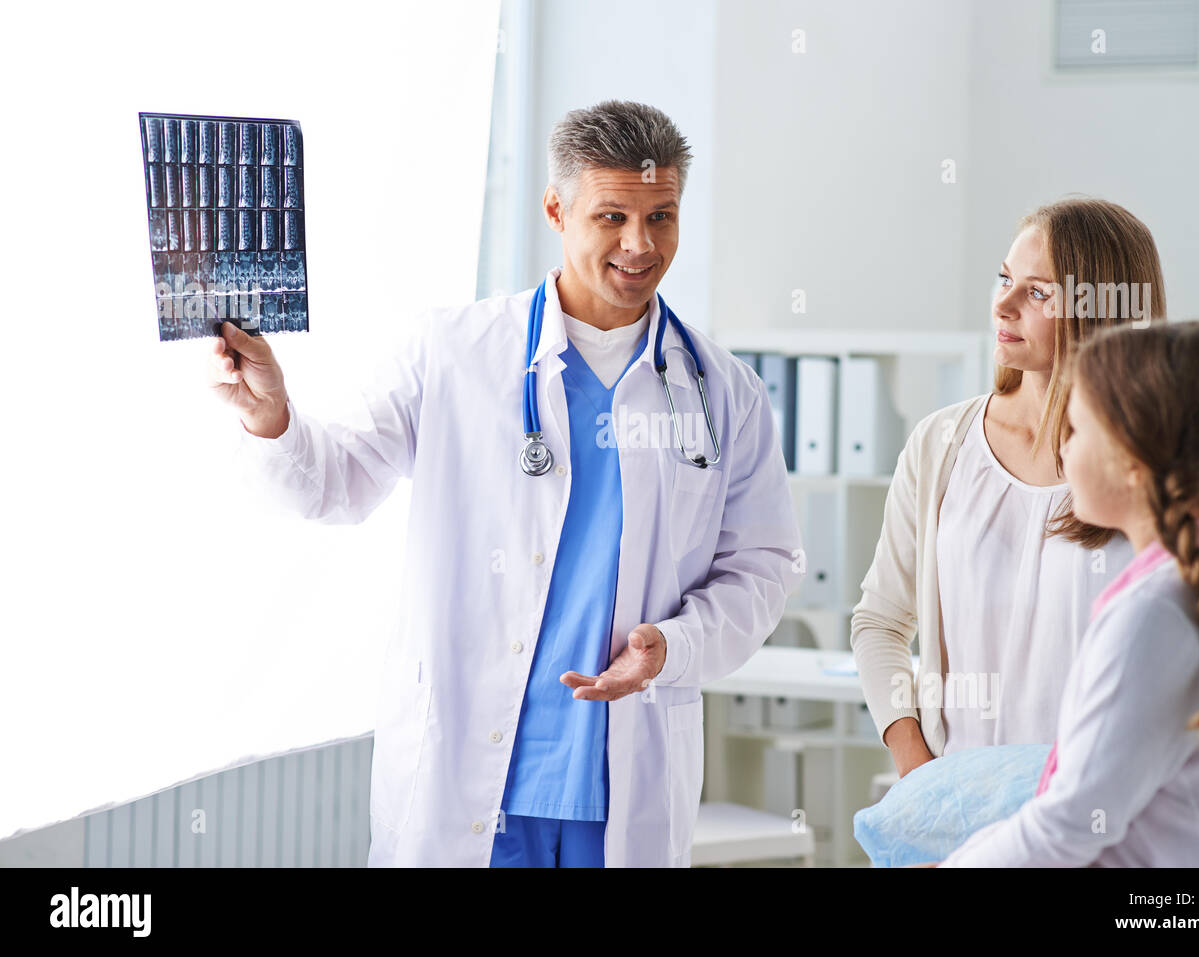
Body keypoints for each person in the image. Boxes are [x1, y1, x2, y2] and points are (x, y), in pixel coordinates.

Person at [207, 100, 803, 867]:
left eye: (662, 216)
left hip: (618, 782)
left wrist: (674, 646)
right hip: (468, 779)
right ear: (556, 209)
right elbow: (336, 483)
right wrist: (274, 415)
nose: (639, 244)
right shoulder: (453, 352)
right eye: (611, 215)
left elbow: (762, 567)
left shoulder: (723, 392)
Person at [941, 320, 1199, 866]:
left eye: (1078, 429)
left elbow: (1067, 828)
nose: (1062, 447)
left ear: (1132, 460)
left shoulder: (1159, 615)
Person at [851, 198, 1165, 777]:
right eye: (1003, 279)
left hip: (1093, 813)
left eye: (1037, 292)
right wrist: (917, 769)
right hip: (958, 804)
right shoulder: (941, 443)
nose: (1003, 303)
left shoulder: (1150, 463)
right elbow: (881, 621)